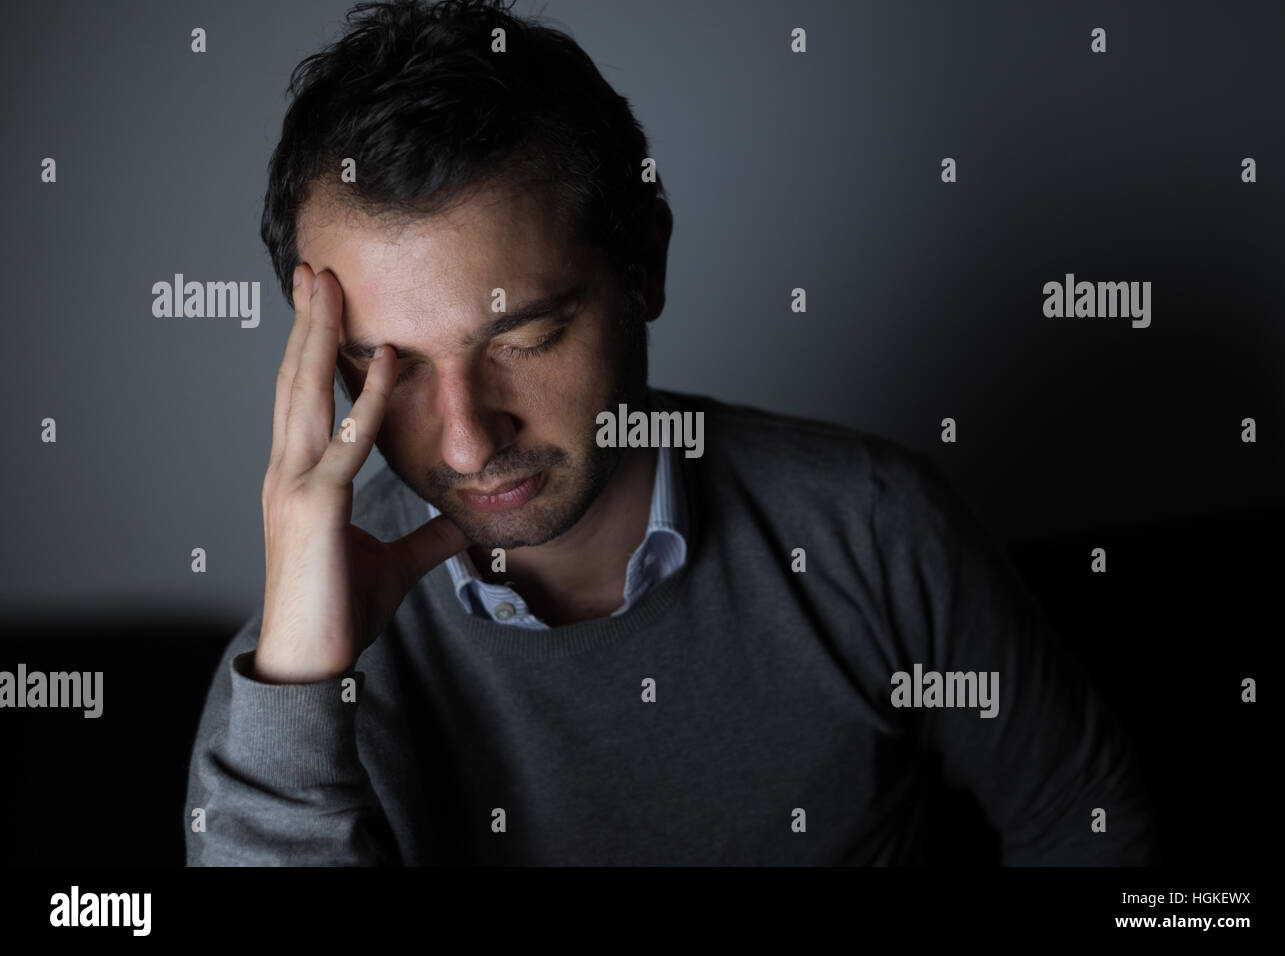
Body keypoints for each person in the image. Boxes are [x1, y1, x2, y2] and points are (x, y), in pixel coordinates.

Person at [185, 0, 1154, 865]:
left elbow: (1087, 821)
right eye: (383, 367)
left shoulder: (873, 529)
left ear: (643, 264)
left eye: (523, 336)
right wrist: (301, 686)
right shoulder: (291, 685)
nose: (468, 442)